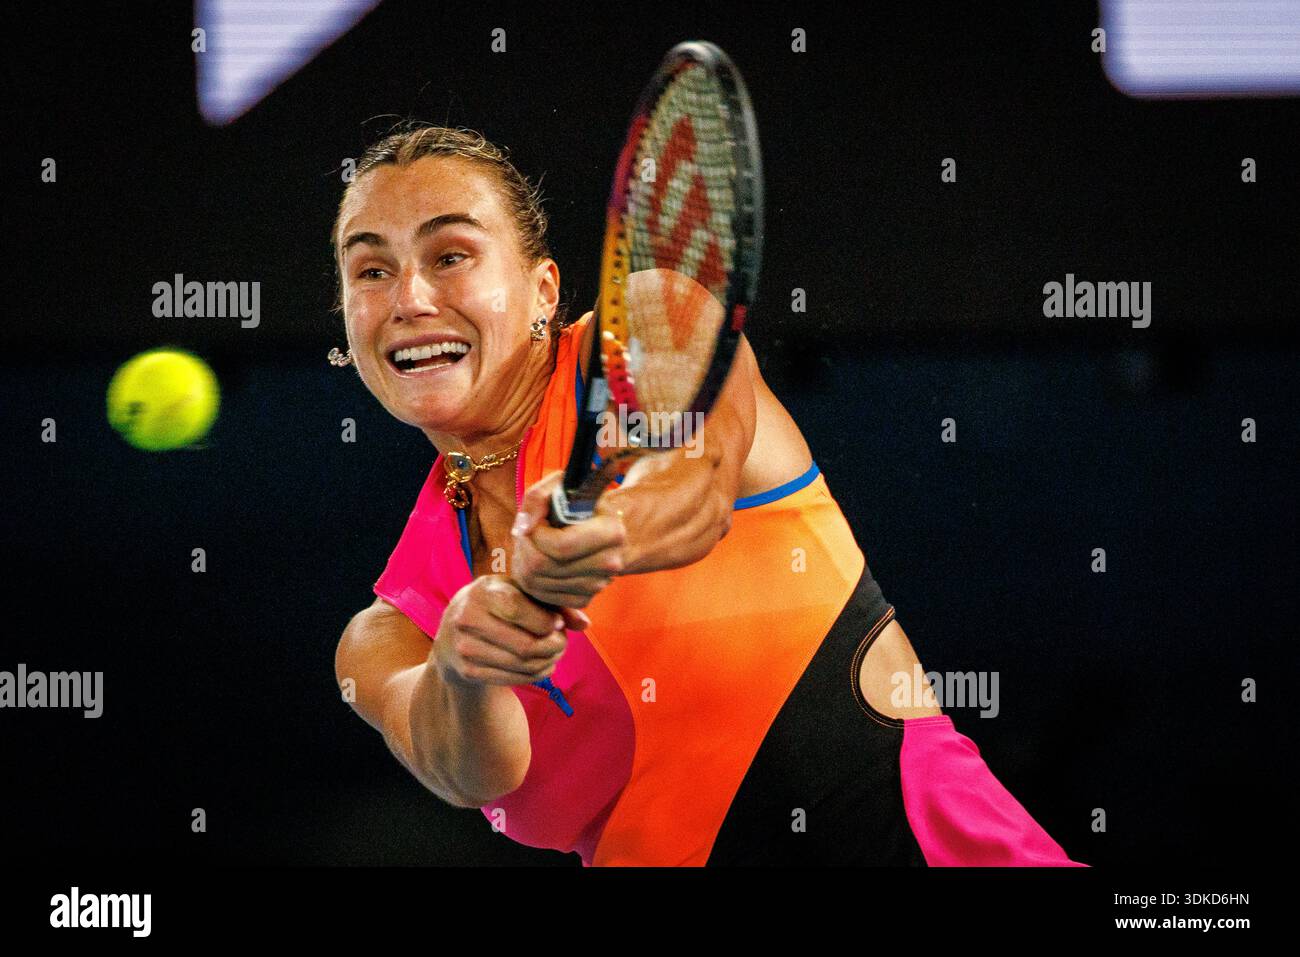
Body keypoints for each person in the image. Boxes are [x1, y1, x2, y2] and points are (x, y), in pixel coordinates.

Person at [331, 123, 1087, 867]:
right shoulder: (383, 634)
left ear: (543, 289)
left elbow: (697, 477)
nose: (410, 298)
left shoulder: (648, 328)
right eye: (370, 271)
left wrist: (599, 527)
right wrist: (466, 668)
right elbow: (469, 772)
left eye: (451, 255)